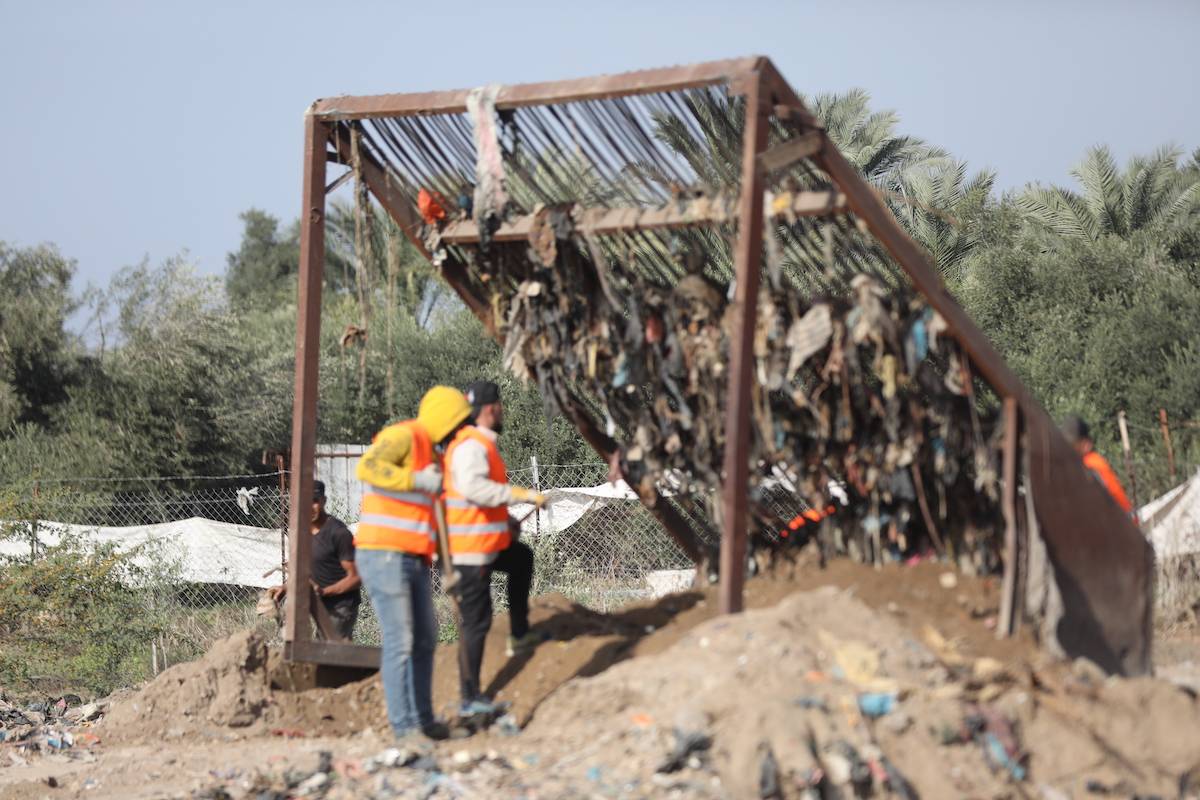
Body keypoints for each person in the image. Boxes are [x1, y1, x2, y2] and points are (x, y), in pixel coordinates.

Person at [355, 385, 473, 742]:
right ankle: (405, 729)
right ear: (444, 421)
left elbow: (434, 517)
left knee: (424, 640)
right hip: (383, 554)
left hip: (415, 559)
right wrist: (415, 479)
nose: (457, 436)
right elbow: (368, 466)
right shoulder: (403, 435)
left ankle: (425, 722)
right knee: (401, 639)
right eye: (456, 427)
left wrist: (449, 568)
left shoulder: (434, 459)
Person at [444, 380, 547, 716]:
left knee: (521, 558)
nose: (502, 410)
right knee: (477, 622)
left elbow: (480, 502)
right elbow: (474, 489)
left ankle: (519, 633)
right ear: (491, 409)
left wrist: (507, 523)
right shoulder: (471, 447)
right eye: (500, 406)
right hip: (471, 549)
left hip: (487, 540)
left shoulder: (480, 444)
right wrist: (521, 494)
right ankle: (469, 697)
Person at [269, 480, 361, 640]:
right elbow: (306, 570)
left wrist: (325, 591)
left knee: (330, 653)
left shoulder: (338, 533)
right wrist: (285, 588)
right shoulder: (302, 533)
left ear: (323, 501)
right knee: (317, 649)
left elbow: (356, 577)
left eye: (314, 501)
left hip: (341, 606)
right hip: (320, 604)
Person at [1063, 415, 1134, 515]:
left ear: (1086, 444)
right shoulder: (1093, 462)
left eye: (1074, 445)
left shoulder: (1090, 465)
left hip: (1121, 524)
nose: (1069, 449)